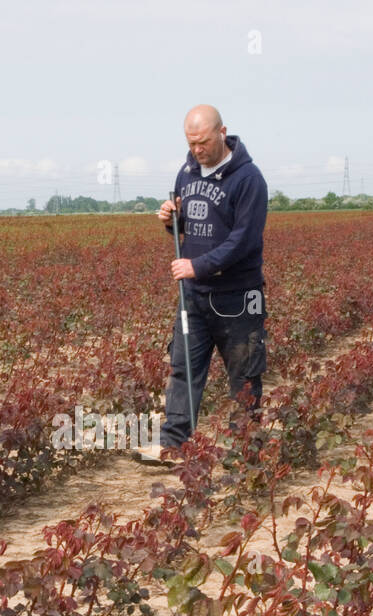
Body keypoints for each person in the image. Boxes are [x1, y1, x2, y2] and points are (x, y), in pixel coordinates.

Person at [138, 104, 269, 460]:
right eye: (191, 143)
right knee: (183, 370)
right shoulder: (187, 172)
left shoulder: (248, 179)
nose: (197, 150)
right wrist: (170, 219)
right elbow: (188, 229)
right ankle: (174, 446)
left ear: (222, 132)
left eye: (203, 142)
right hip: (193, 296)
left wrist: (198, 266)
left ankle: (246, 451)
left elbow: (243, 241)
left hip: (238, 298)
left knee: (243, 376)